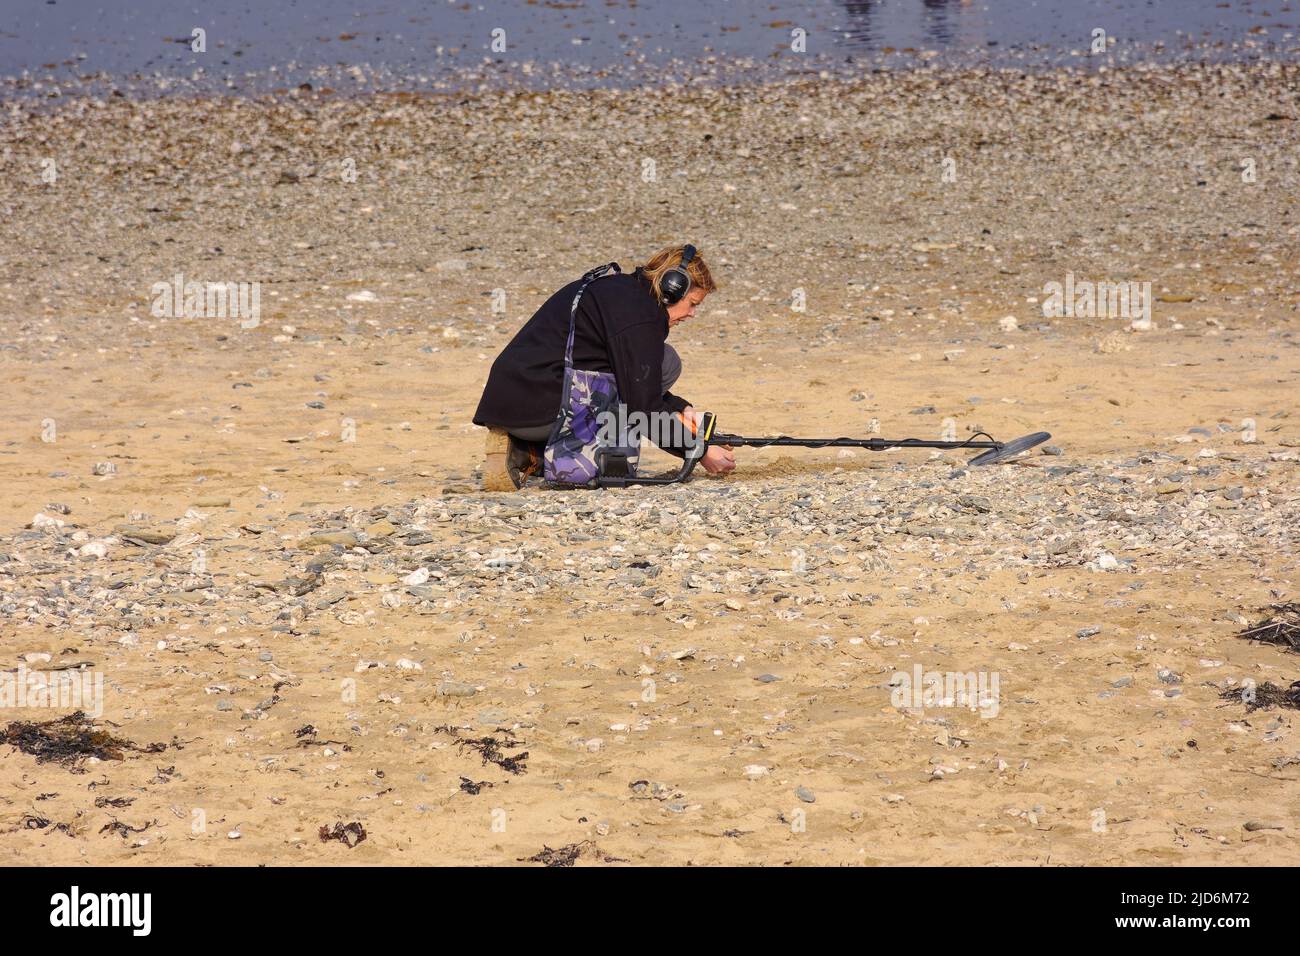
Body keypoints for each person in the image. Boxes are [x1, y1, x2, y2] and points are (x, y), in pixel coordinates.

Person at [474, 244, 737, 489]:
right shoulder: (639, 317)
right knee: (667, 363)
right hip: (539, 410)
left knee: (663, 361)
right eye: (692, 303)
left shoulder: (623, 294)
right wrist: (699, 451)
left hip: (517, 401)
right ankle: (532, 450)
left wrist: (680, 408)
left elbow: (629, 380)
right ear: (672, 289)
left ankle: (522, 446)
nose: (692, 314)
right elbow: (642, 409)